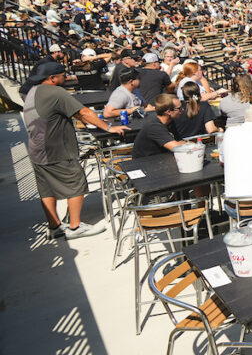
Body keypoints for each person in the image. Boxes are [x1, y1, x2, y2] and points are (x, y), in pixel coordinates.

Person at [23, 60, 128, 239]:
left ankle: (54, 227)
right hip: (56, 150)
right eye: (63, 75)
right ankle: (75, 226)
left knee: (47, 190)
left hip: (36, 150)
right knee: (77, 183)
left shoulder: (33, 91)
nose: (66, 77)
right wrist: (109, 128)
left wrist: (95, 121)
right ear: (52, 78)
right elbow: (84, 112)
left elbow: (69, 113)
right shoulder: (56, 92)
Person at [132, 93, 187, 158]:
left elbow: (179, 141)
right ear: (168, 112)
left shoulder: (170, 122)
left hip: (160, 159)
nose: (182, 110)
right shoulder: (154, 127)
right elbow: (177, 148)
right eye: (179, 108)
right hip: (144, 162)